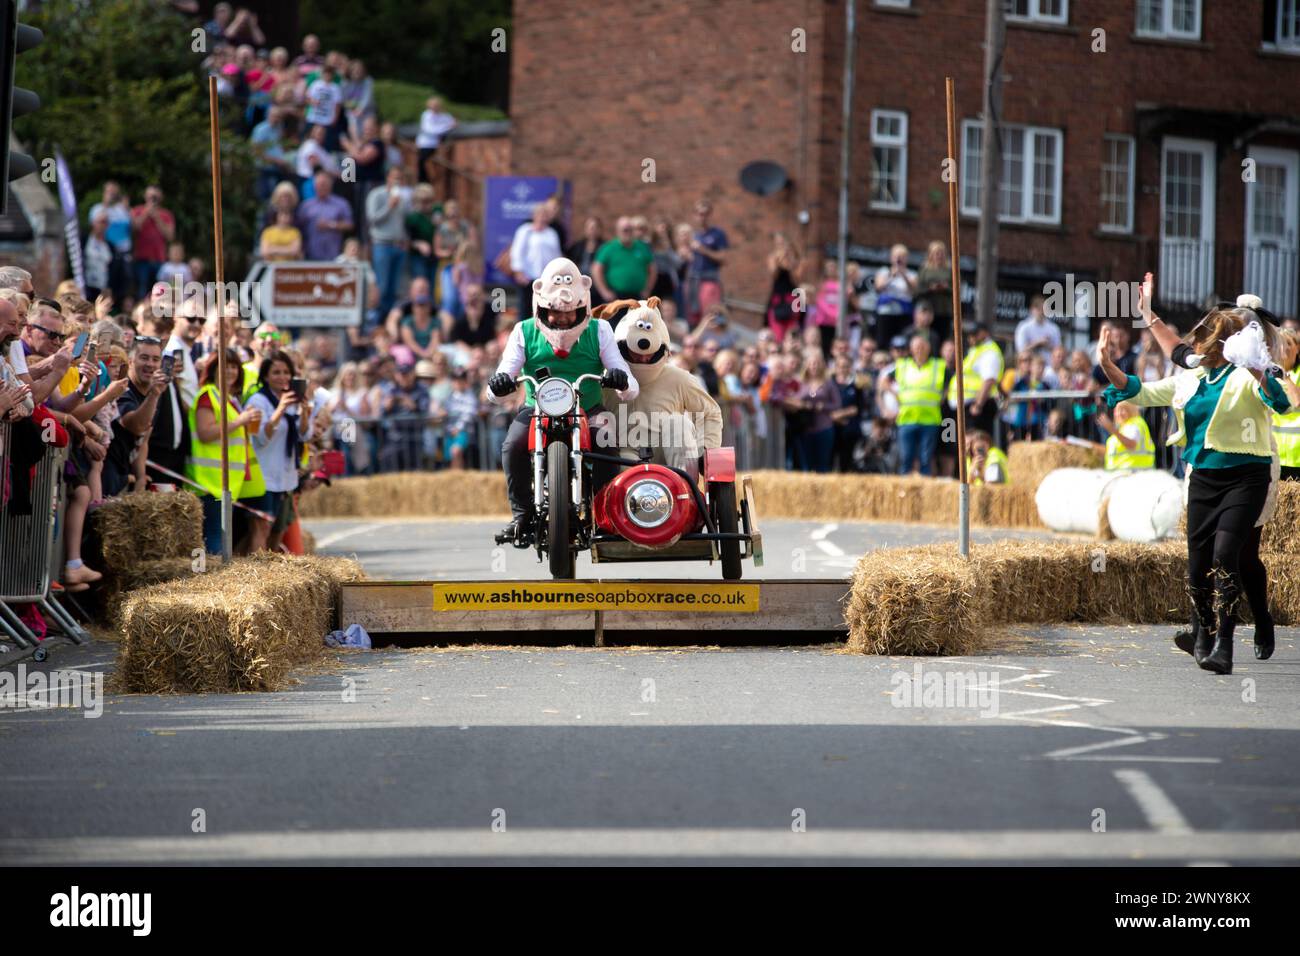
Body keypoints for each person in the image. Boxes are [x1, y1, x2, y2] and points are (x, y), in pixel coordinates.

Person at [1097, 309, 1289, 674]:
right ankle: (1203, 633)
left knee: (1229, 554)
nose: (1195, 344)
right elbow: (1139, 390)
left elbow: (1280, 402)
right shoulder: (1190, 378)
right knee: (1198, 564)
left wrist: (1258, 371)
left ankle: (1226, 645)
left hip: (1247, 475)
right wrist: (1107, 363)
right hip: (1202, 477)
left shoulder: (1245, 375)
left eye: (1203, 338)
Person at [486, 257, 637, 543]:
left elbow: (630, 384)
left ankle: (605, 515)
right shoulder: (523, 330)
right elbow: (499, 381)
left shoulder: (600, 329)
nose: (564, 319)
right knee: (511, 445)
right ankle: (522, 514)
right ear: (541, 306)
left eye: (571, 312)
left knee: (606, 436)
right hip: (536, 409)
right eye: (556, 312)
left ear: (584, 306)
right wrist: (499, 384)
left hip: (588, 407)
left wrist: (621, 380)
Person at [188, 350, 265, 554]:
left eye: (233, 367)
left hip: (225, 481)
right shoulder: (208, 395)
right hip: (208, 481)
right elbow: (206, 433)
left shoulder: (229, 398)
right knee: (214, 537)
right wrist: (240, 421)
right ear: (213, 370)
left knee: (222, 536)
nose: (230, 371)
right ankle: (215, 581)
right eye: (225, 366)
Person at [103, 335, 189, 497]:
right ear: (131, 361)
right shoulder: (122, 388)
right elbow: (136, 426)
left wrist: (141, 478)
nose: (150, 364)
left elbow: (144, 439)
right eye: (144, 358)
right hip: (106, 470)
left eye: (156, 359)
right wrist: (155, 394)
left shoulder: (152, 393)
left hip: (125, 473)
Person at [246, 350, 305, 550]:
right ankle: (255, 574)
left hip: (286, 477)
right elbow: (260, 438)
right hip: (264, 476)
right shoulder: (257, 401)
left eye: (286, 372)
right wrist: (279, 410)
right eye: (276, 372)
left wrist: (306, 412)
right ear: (265, 376)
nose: (282, 377)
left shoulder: (292, 401)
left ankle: (269, 573)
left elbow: (303, 436)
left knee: (278, 531)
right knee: (261, 528)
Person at [888, 333, 945, 476]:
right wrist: (897, 397)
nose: (920, 349)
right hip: (907, 419)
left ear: (929, 348)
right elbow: (884, 381)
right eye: (917, 347)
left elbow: (951, 383)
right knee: (906, 458)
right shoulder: (903, 365)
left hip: (930, 419)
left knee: (926, 459)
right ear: (911, 349)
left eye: (923, 346)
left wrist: (942, 398)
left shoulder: (938, 365)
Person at [366, 166, 410, 318]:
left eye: (400, 177)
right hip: (382, 245)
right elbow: (372, 219)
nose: (397, 180)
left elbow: (404, 222)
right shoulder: (376, 195)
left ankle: (389, 321)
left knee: (394, 289)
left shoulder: (403, 199)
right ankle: (376, 319)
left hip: (399, 245)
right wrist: (389, 206)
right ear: (388, 178)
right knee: (382, 287)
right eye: (394, 176)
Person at [948, 321, 1003, 437]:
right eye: (969, 335)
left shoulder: (989, 352)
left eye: (974, 334)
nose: (970, 338)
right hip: (968, 405)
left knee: (976, 442)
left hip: (977, 405)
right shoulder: (977, 350)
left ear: (984, 334)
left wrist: (978, 405)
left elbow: (989, 380)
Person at [508, 203, 562, 320]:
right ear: (534, 216)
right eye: (540, 215)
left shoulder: (552, 233)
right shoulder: (525, 230)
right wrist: (519, 272)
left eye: (545, 215)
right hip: (527, 278)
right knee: (525, 310)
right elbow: (517, 252)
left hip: (546, 280)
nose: (543, 218)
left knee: (544, 311)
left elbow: (556, 255)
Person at [593, 217, 656, 303]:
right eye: (625, 230)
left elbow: (652, 270)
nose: (628, 233)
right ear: (618, 231)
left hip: (637, 297)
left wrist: (647, 290)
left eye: (630, 230)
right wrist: (604, 291)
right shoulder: (609, 247)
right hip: (616, 297)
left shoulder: (642, 247)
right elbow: (596, 269)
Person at [130, 186, 176, 301]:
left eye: (155, 197)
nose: (153, 199)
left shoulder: (166, 214)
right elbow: (134, 229)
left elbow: (170, 236)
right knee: (142, 291)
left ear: (161, 197)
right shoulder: (137, 211)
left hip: (159, 260)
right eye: (150, 196)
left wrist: (157, 217)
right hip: (141, 259)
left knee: (161, 293)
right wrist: (146, 213)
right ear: (145, 196)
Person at [687, 200, 728, 326]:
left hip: (709, 280)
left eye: (705, 214)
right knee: (693, 317)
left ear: (710, 215)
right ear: (695, 215)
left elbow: (723, 258)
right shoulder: (692, 234)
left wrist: (703, 250)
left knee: (710, 316)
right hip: (693, 280)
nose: (702, 217)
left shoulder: (718, 234)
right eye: (699, 214)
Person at [297, 170, 353, 261]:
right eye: (319, 184)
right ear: (314, 186)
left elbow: (349, 224)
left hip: (335, 253)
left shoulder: (341, 203)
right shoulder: (306, 206)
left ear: (330, 185)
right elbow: (299, 228)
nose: (321, 187)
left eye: (324, 184)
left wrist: (331, 225)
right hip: (311, 254)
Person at [873, 243, 917, 348]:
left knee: (902, 341)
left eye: (902, 256)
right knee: (883, 341)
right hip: (885, 312)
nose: (899, 259)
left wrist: (903, 274)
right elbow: (878, 287)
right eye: (896, 256)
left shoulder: (912, 274)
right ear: (891, 258)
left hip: (903, 313)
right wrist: (891, 276)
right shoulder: (883, 272)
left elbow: (914, 290)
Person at [1099, 400, 1155, 470]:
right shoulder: (1124, 428)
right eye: (1116, 410)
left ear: (1131, 410)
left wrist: (1112, 429)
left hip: (1134, 474)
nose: (1119, 413)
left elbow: (1131, 444)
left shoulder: (1135, 424)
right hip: (1123, 473)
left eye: (1123, 409)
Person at [416, 96, 457, 188]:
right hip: (425, 145)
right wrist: (447, 127)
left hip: (438, 146)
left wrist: (449, 126)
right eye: (432, 105)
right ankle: (423, 183)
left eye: (436, 105)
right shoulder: (426, 115)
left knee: (438, 167)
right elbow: (430, 130)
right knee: (423, 165)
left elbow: (453, 123)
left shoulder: (445, 116)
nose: (434, 107)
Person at [1014, 294, 1061, 360]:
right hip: (1029, 367)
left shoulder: (1054, 328)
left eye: (1043, 309)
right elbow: (1020, 350)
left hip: (1048, 367)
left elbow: (1058, 351)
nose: (1041, 312)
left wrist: (1047, 345)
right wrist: (1037, 343)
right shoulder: (1023, 327)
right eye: (1038, 309)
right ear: (1032, 309)